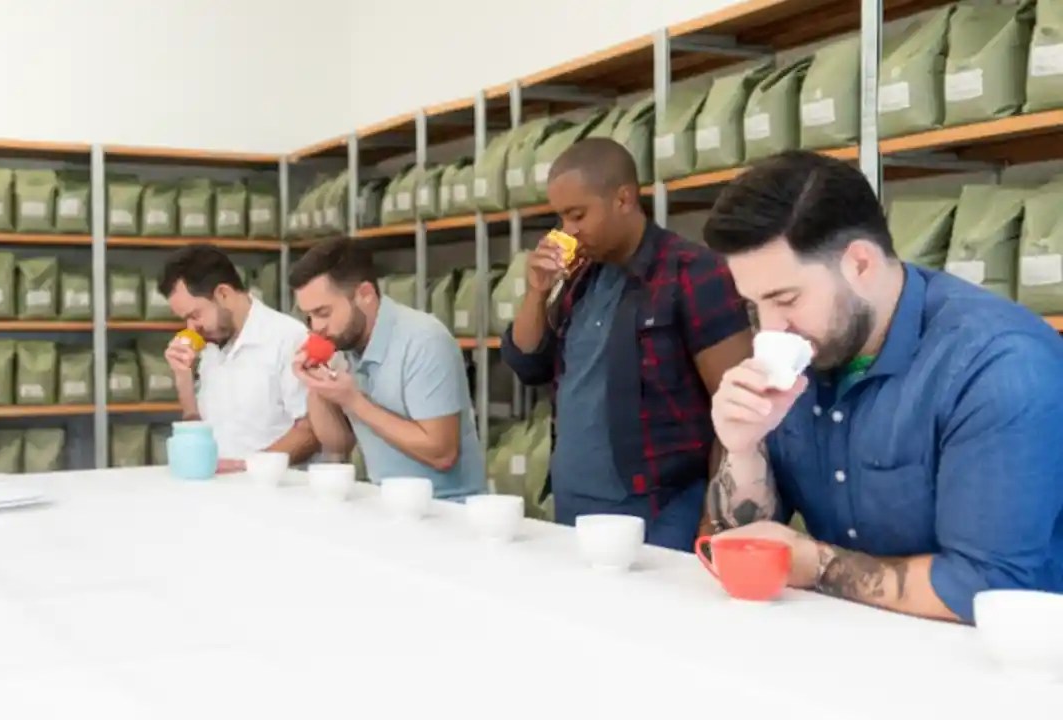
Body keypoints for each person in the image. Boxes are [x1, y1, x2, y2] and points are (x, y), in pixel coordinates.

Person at [701, 150, 1063, 623]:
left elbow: (986, 588)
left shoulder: (997, 364)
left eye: (785, 299)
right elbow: (743, 537)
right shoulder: (810, 346)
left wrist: (816, 565)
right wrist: (743, 449)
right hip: (856, 646)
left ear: (861, 264)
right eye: (754, 306)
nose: (771, 327)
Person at [501, 137, 753, 550]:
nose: (568, 231)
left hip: (660, 513)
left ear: (623, 198)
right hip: (572, 505)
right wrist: (536, 292)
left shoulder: (693, 273)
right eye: (561, 218)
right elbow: (528, 364)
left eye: (578, 215)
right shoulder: (580, 279)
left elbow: (738, 414)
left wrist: (713, 520)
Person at [288, 238, 485, 500]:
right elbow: (338, 444)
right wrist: (316, 386)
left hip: (447, 508)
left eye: (323, 312)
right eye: (308, 316)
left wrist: (354, 401)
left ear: (365, 295)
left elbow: (442, 453)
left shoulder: (424, 340)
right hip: (386, 502)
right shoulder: (344, 344)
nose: (316, 327)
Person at [160, 245, 318, 472]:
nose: (192, 328)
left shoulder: (288, 338)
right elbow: (198, 432)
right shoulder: (211, 345)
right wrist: (183, 381)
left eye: (195, 315)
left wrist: (246, 467)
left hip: (273, 492)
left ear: (223, 294)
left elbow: (309, 432)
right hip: (218, 491)